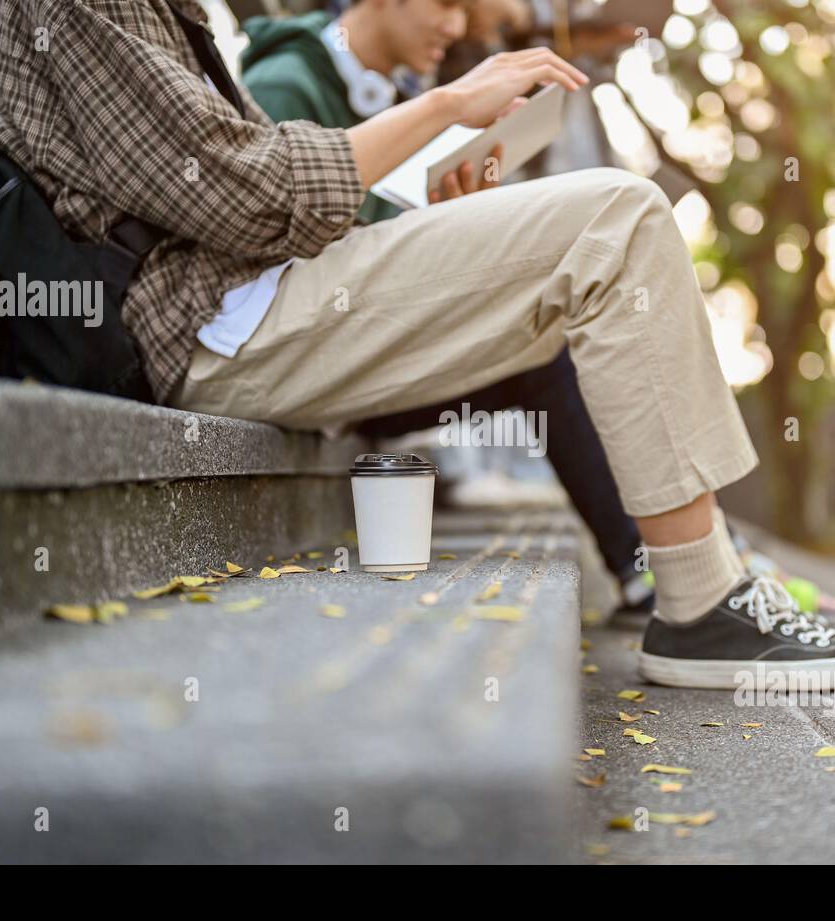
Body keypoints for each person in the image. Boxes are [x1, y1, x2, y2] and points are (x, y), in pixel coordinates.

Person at [0, 0, 835, 688]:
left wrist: (445, 201)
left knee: (593, 246)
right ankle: (699, 599)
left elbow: (253, 197)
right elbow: (246, 195)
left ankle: (703, 580)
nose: (460, 20)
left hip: (246, 301)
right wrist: (444, 106)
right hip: (203, 325)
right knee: (614, 221)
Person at [239, 0, 654, 622]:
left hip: (362, 346)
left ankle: (659, 556)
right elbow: (269, 260)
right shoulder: (284, 85)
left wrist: (448, 219)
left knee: (548, 332)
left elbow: (376, 248)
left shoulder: (386, 97)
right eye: (446, 4)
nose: (457, 28)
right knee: (548, 337)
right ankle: (648, 565)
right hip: (307, 358)